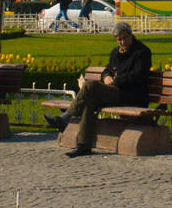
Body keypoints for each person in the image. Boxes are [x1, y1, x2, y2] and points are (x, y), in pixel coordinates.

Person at [46, 22, 151, 157]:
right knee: (89, 101)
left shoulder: (142, 52)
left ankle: (65, 118)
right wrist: (106, 76)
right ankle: (83, 145)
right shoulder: (116, 52)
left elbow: (138, 75)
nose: (122, 42)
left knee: (90, 86)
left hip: (131, 95)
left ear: (131, 35)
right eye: (119, 39)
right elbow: (107, 69)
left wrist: (116, 81)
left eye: (124, 38)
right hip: (115, 92)